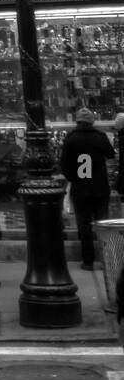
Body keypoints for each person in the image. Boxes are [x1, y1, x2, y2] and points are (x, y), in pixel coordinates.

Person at [60, 107, 116, 269]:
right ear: (92, 122)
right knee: (103, 224)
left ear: (77, 121)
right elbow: (110, 154)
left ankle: (88, 261)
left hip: (80, 188)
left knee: (84, 225)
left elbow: (64, 164)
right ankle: (106, 260)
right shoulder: (100, 136)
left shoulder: (71, 138)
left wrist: (74, 178)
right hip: (100, 187)